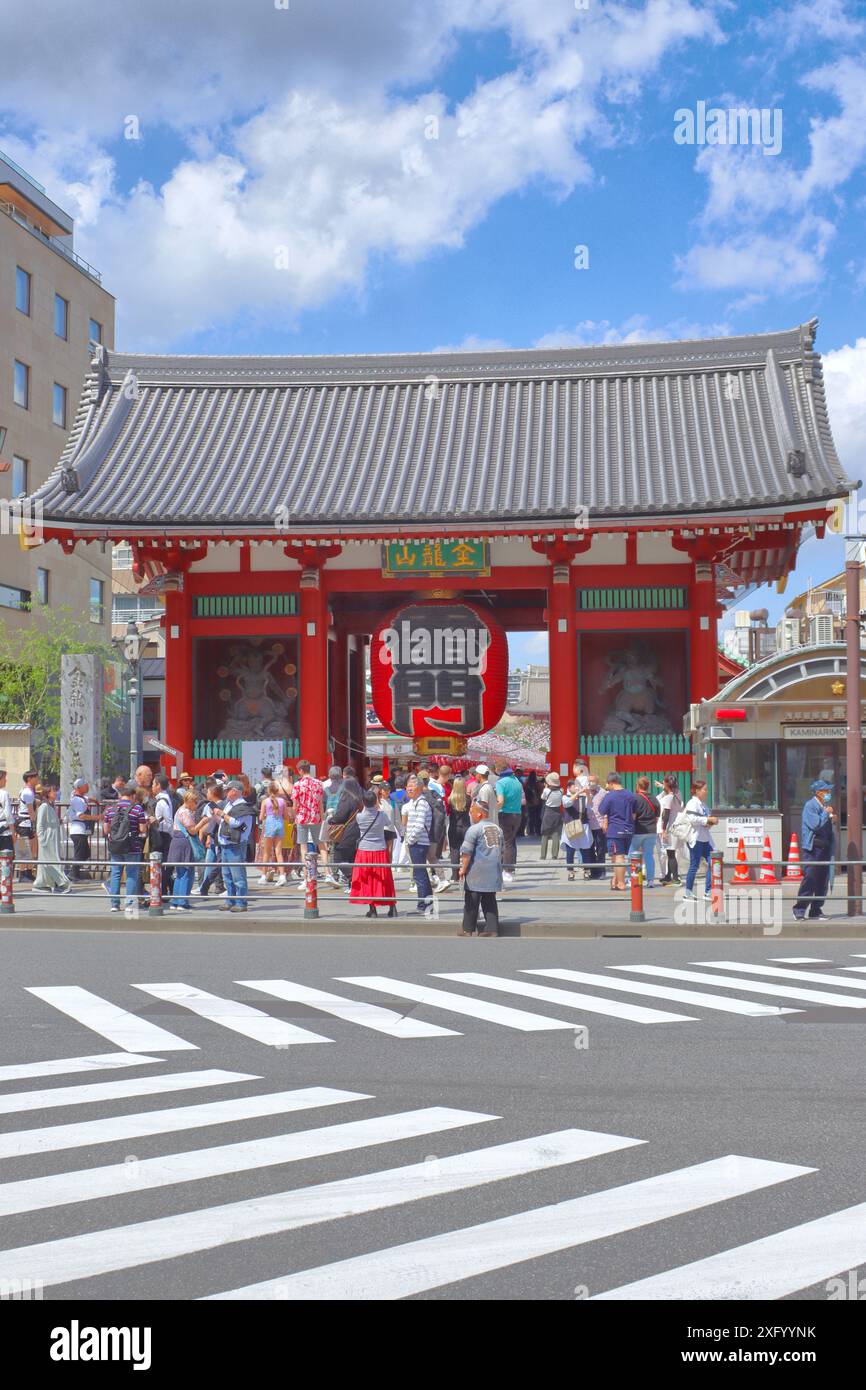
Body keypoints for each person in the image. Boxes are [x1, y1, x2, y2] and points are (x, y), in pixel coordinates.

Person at [458, 796, 504, 937]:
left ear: (479, 813)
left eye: (472, 811)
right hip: (493, 870)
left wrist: (462, 869)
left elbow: (466, 853)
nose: (470, 814)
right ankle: (492, 929)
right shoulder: (497, 829)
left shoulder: (474, 829)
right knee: (490, 900)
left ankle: (468, 929)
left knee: (471, 901)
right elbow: (501, 851)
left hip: (477, 871)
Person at [349, 788, 397, 918]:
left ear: (363, 803)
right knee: (384, 878)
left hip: (364, 851)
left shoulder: (359, 816)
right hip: (380, 850)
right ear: (376, 801)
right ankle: (392, 907)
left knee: (369, 879)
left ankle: (373, 909)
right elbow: (388, 824)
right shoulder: (381, 815)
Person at [794, 779, 836, 921]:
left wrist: (832, 818)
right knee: (810, 878)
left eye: (829, 791)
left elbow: (826, 826)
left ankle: (816, 910)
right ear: (818, 792)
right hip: (813, 848)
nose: (829, 793)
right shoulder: (810, 806)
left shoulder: (825, 805)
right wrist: (826, 814)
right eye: (826, 791)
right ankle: (799, 910)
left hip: (824, 847)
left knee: (822, 880)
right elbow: (815, 824)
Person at [104, 782, 147, 912]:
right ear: (133, 796)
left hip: (115, 846)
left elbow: (106, 830)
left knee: (116, 874)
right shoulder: (137, 809)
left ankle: (114, 904)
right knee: (131, 874)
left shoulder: (110, 809)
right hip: (132, 846)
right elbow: (142, 829)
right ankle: (130, 904)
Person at [213, 781, 255, 912]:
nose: (225, 792)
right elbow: (223, 822)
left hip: (235, 845)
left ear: (235, 791)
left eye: (228, 790)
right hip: (225, 843)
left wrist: (221, 814)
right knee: (227, 875)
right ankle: (230, 900)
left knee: (238, 875)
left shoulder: (243, 807)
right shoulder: (229, 805)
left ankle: (241, 902)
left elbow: (235, 823)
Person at [168, 791, 210, 911]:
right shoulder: (185, 812)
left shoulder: (179, 810)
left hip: (177, 842)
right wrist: (203, 821)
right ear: (190, 801)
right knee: (187, 873)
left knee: (180, 874)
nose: (196, 804)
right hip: (184, 843)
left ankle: (175, 902)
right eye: (195, 802)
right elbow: (192, 830)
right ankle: (182, 901)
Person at [598, 773, 639, 891]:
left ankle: (621, 883)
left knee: (619, 857)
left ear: (611, 783)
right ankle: (615, 880)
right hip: (628, 829)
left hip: (615, 829)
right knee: (618, 857)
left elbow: (601, 811)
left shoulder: (610, 796)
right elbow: (634, 814)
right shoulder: (630, 795)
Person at [683, 779, 719, 900]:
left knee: (713, 862)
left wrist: (711, 822)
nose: (706, 792)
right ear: (697, 791)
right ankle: (687, 892)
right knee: (694, 865)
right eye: (705, 789)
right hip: (696, 838)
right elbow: (692, 819)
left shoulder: (704, 805)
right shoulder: (692, 803)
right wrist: (707, 820)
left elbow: (706, 820)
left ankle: (708, 891)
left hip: (706, 839)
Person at [329, 766, 363, 891]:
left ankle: (354, 879)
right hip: (358, 829)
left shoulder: (347, 796)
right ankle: (352, 884)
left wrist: (331, 819)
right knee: (352, 857)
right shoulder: (360, 795)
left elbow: (341, 815)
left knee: (339, 857)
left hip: (347, 830)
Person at [32, 785, 72, 895]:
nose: (55, 793)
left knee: (47, 862)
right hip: (47, 839)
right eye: (53, 791)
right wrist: (42, 840)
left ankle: (41, 884)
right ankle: (62, 883)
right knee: (53, 861)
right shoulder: (44, 806)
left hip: (52, 839)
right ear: (47, 793)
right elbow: (40, 825)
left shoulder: (50, 806)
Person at [292, 759, 325, 890]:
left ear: (300, 770)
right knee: (321, 845)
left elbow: (295, 806)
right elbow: (320, 803)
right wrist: (322, 818)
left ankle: (306, 878)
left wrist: (295, 816)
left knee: (303, 847)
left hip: (302, 818)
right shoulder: (319, 783)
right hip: (316, 817)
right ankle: (328, 874)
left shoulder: (297, 785)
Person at [404, 774, 434, 915]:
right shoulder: (414, 802)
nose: (409, 789)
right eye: (408, 786)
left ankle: (424, 905)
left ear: (420, 788)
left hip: (418, 843)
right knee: (420, 873)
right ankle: (426, 904)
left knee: (420, 874)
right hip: (417, 842)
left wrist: (410, 839)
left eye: (412, 786)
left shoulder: (421, 803)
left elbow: (420, 824)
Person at [440, 774, 471, 891]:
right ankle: (466, 871)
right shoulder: (468, 798)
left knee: (454, 850)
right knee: (466, 851)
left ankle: (454, 874)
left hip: (454, 826)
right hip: (466, 827)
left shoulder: (450, 799)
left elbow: (447, 812)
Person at [495, 766, 523, 884]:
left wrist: (493, 810)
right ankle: (511, 868)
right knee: (511, 842)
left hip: (505, 814)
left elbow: (500, 801)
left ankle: (507, 870)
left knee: (506, 843)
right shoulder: (517, 782)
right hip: (517, 814)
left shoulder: (500, 783)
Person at [631, 776, 660, 888]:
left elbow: (633, 817)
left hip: (638, 830)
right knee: (649, 855)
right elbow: (657, 818)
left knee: (633, 855)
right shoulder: (654, 799)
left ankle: (636, 879)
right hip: (651, 831)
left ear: (638, 786)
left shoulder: (635, 799)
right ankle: (651, 881)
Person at [258, 783, 289, 887]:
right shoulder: (282, 801)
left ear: (268, 791)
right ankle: (282, 876)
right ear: (277, 791)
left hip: (269, 825)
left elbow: (261, 817)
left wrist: (267, 814)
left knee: (266, 852)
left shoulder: (265, 801)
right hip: (279, 824)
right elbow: (286, 816)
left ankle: (263, 876)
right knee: (278, 852)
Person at [67, 778, 96, 881]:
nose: (88, 787)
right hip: (78, 829)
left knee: (85, 853)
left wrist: (95, 800)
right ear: (80, 787)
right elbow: (81, 816)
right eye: (86, 785)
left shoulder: (81, 798)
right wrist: (96, 817)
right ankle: (73, 874)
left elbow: (87, 799)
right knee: (80, 853)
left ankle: (76, 872)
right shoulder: (77, 800)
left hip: (81, 830)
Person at [152, 774, 176, 896]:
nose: (152, 787)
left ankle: (167, 889)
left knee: (162, 864)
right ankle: (166, 890)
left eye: (153, 784)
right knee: (161, 864)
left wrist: (171, 836)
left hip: (163, 836)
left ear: (158, 785)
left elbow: (169, 821)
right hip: (163, 835)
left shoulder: (162, 801)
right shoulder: (164, 799)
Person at [657, 776, 683, 885]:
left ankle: (676, 878)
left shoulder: (668, 797)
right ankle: (668, 876)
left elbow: (665, 815)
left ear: (667, 784)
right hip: (677, 826)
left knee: (671, 854)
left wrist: (663, 830)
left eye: (664, 783)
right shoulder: (678, 794)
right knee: (670, 852)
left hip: (670, 828)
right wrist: (662, 786)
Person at [15, 769, 39, 880]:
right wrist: (35, 826)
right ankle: (24, 873)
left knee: (26, 848)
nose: (37, 779)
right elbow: (31, 812)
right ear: (29, 779)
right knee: (26, 848)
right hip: (26, 823)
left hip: (23, 823)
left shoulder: (24, 790)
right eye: (36, 777)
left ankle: (26, 872)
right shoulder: (28, 792)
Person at [583, 775, 607, 880]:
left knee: (601, 849)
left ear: (597, 782)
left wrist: (606, 821)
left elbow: (607, 808)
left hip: (599, 824)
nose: (590, 783)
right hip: (588, 825)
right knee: (590, 849)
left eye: (592, 781)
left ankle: (601, 871)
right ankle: (593, 871)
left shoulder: (603, 793)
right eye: (589, 781)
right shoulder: (584, 791)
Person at [540, 772, 564, 860]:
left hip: (548, 812)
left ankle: (543, 855)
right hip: (557, 812)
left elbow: (543, 797)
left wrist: (545, 788)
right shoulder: (561, 790)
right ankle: (555, 855)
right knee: (556, 833)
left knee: (545, 833)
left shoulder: (547, 790)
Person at [524, 770, 542, 836]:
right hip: (537, 803)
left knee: (530, 817)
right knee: (537, 817)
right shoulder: (537, 784)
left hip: (529, 803)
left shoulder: (527, 784)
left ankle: (530, 831)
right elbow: (540, 794)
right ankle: (538, 831)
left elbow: (526, 794)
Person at [0, 769, 13, 857]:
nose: (6, 780)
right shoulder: (4, 794)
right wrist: (13, 831)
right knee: (6, 860)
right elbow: (8, 815)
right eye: (4, 778)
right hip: (4, 830)